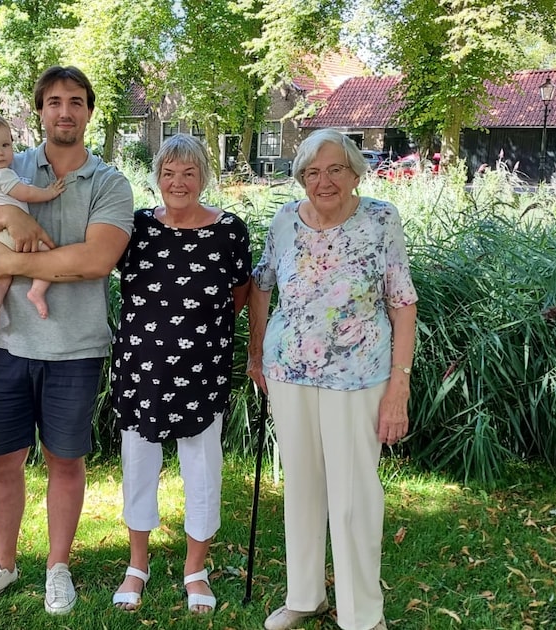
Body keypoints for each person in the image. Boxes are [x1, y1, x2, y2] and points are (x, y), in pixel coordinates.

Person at [0, 66, 134, 616]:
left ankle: (57, 567)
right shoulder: (7, 162)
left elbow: (97, 260)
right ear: (41, 111)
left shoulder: (110, 183)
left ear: (89, 111)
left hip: (75, 346)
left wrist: (11, 258)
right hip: (4, 345)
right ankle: (2, 564)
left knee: (65, 461)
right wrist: (4, 216)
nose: (64, 111)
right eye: (53, 102)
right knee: (1, 461)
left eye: (75, 101)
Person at [246, 129, 418, 630]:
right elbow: (261, 284)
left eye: (335, 169)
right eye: (312, 172)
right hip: (289, 373)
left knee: (353, 496)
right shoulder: (283, 220)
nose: (324, 181)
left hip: (358, 375)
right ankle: (304, 596)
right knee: (301, 485)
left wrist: (398, 386)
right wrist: (257, 351)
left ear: (355, 173)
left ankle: (362, 614)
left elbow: (402, 302)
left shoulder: (381, 219)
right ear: (300, 178)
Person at [109, 133, 251, 613]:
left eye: (189, 173)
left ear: (203, 178)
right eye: (169, 173)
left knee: (202, 470)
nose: (178, 182)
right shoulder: (137, 227)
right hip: (140, 370)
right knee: (139, 467)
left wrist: (198, 333)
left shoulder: (230, 229)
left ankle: (196, 569)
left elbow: (239, 293)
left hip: (200, 371)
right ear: (157, 178)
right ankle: (137, 566)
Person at [0, 111, 66, 332]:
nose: (0, 153)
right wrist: (49, 192)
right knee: (48, 254)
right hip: (12, 234)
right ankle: (37, 291)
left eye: (5, 145)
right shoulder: (4, 175)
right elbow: (26, 194)